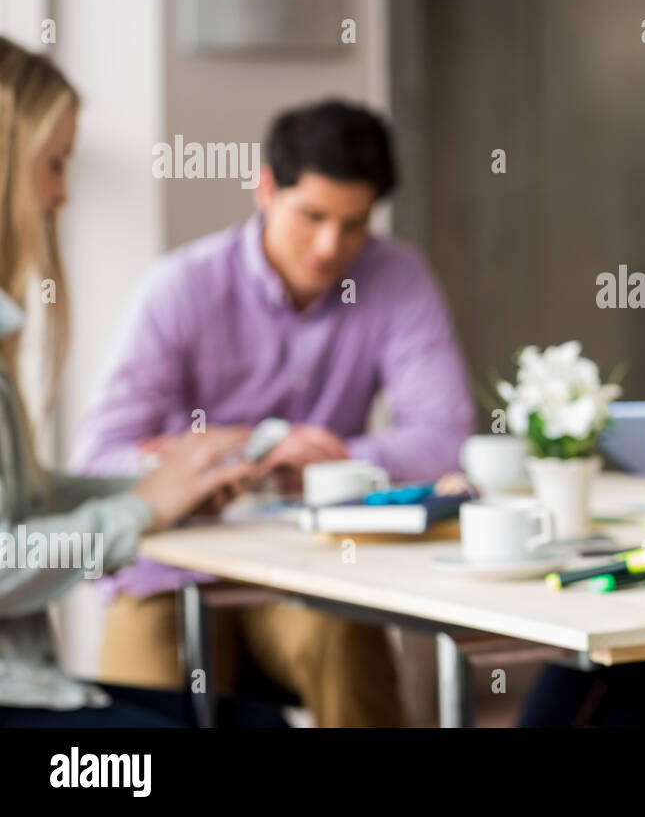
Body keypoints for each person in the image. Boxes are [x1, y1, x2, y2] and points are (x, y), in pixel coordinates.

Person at [73, 99, 475, 727]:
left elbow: (447, 438)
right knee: (133, 725)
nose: (328, 246)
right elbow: (98, 457)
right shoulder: (180, 286)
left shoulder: (396, 276)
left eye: (354, 223)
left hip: (309, 570)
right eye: (311, 216)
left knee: (347, 646)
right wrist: (233, 458)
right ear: (265, 187)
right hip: (170, 569)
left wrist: (331, 461)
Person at [0, 37, 286, 726]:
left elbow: (24, 505)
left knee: (257, 724)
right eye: (55, 164)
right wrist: (139, 511)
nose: (63, 193)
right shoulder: (181, 285)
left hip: (31, 681)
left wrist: (166, 487)